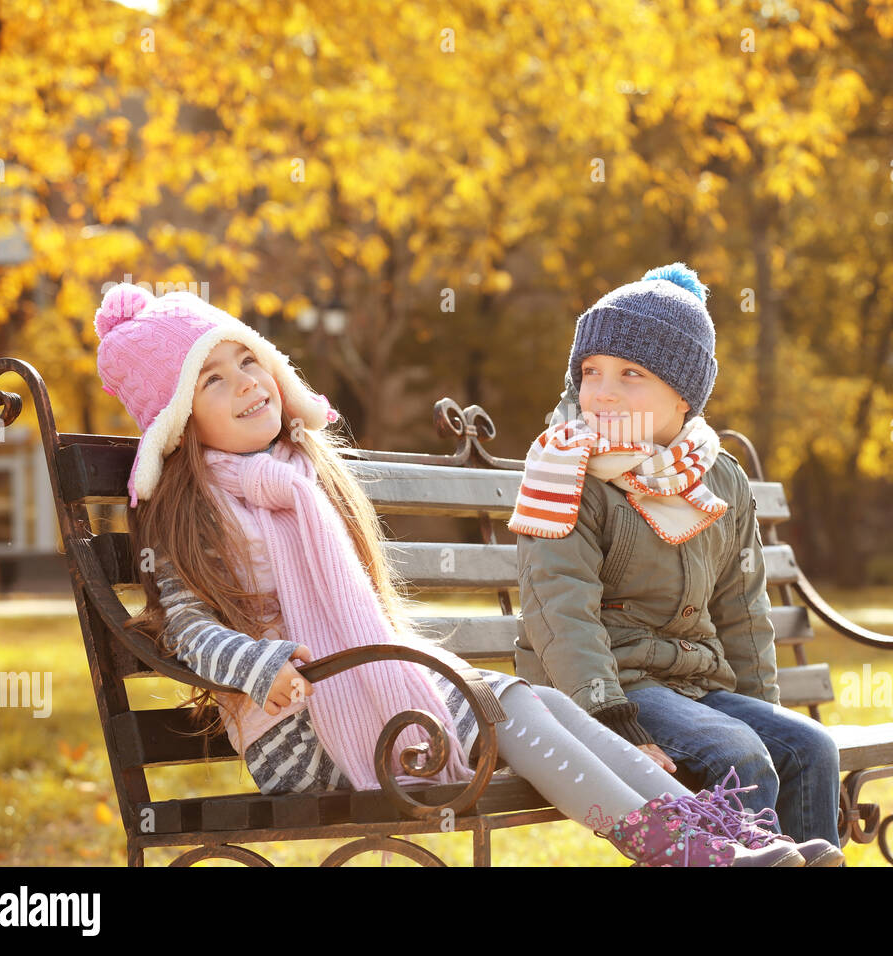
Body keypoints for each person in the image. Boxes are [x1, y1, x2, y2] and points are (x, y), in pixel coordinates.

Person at [95, 280, 818, 867]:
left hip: (382, 690)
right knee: (508, 707)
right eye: (212, 381)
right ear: (181, 423)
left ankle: (703, 837)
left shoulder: (301, 474)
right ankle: (685, 850)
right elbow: (185, 628)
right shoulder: (193, 509)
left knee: (534, 702)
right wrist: (259, 664)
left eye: (249, 361)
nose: (246, 385)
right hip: (299, 733)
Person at [509, 263, 845, 865]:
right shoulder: (565, 469)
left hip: (694, 684)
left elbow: (741, 610)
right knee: (737, 753)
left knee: (808, 745)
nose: (603, 391)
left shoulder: (718, 477)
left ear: (684, 394)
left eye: (630, 375)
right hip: (610, 685)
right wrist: (610, 716)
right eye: (590, 372)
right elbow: (558, 604)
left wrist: (764, 708)